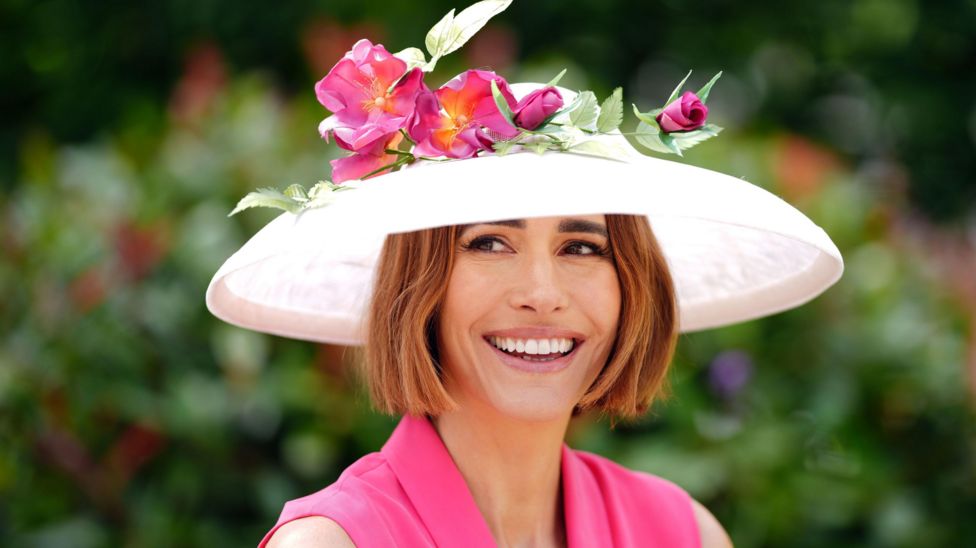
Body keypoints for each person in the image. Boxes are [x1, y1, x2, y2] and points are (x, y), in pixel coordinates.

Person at [206, 3, 844, 546]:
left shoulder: (680, 531)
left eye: (584, 249)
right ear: (420, 283)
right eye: (489, 243)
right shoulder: (335, 542)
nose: (542, 295)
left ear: (632, 286)